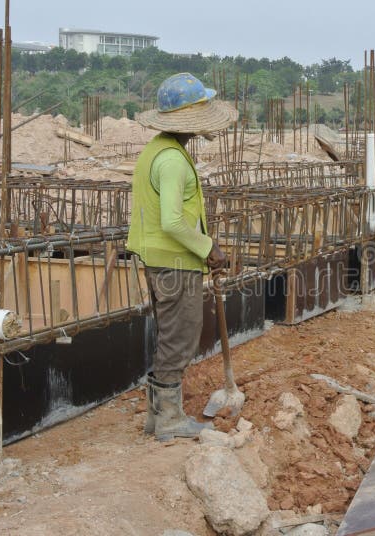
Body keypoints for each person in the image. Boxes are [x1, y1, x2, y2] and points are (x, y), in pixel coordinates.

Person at [127, 72, 237, 440]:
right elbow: (172, 221)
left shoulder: (158, 150)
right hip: (175, 261)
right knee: (181, 337)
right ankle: (170, 419)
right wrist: (209, 248)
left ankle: (157, 416)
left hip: (162, 259)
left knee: (171, 335)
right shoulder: (172, 161)